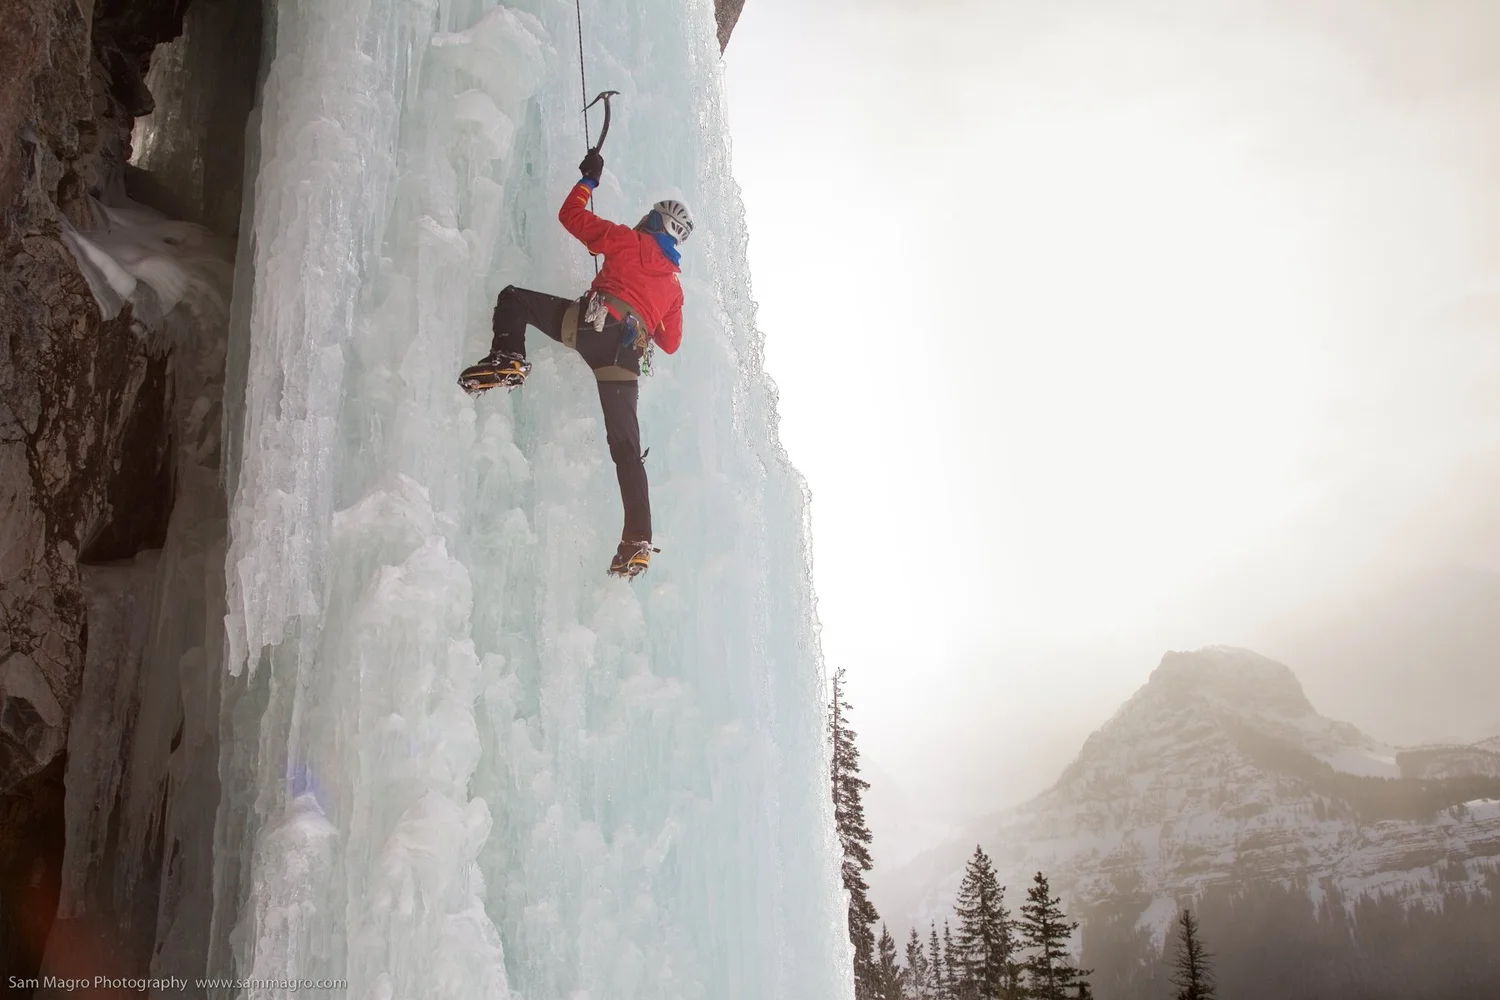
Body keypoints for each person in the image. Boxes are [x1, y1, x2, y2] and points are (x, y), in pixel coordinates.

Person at [458, 147, 692, 580]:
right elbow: (672, 343)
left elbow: (570, 216)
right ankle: (636, 541)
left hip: (592, 325)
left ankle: (509, 356)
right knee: (627, 454)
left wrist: (589, 179)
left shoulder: (628, 239)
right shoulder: (675, 290)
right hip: (626, 359)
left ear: (654, 222)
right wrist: (652, 309)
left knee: (514, 299)